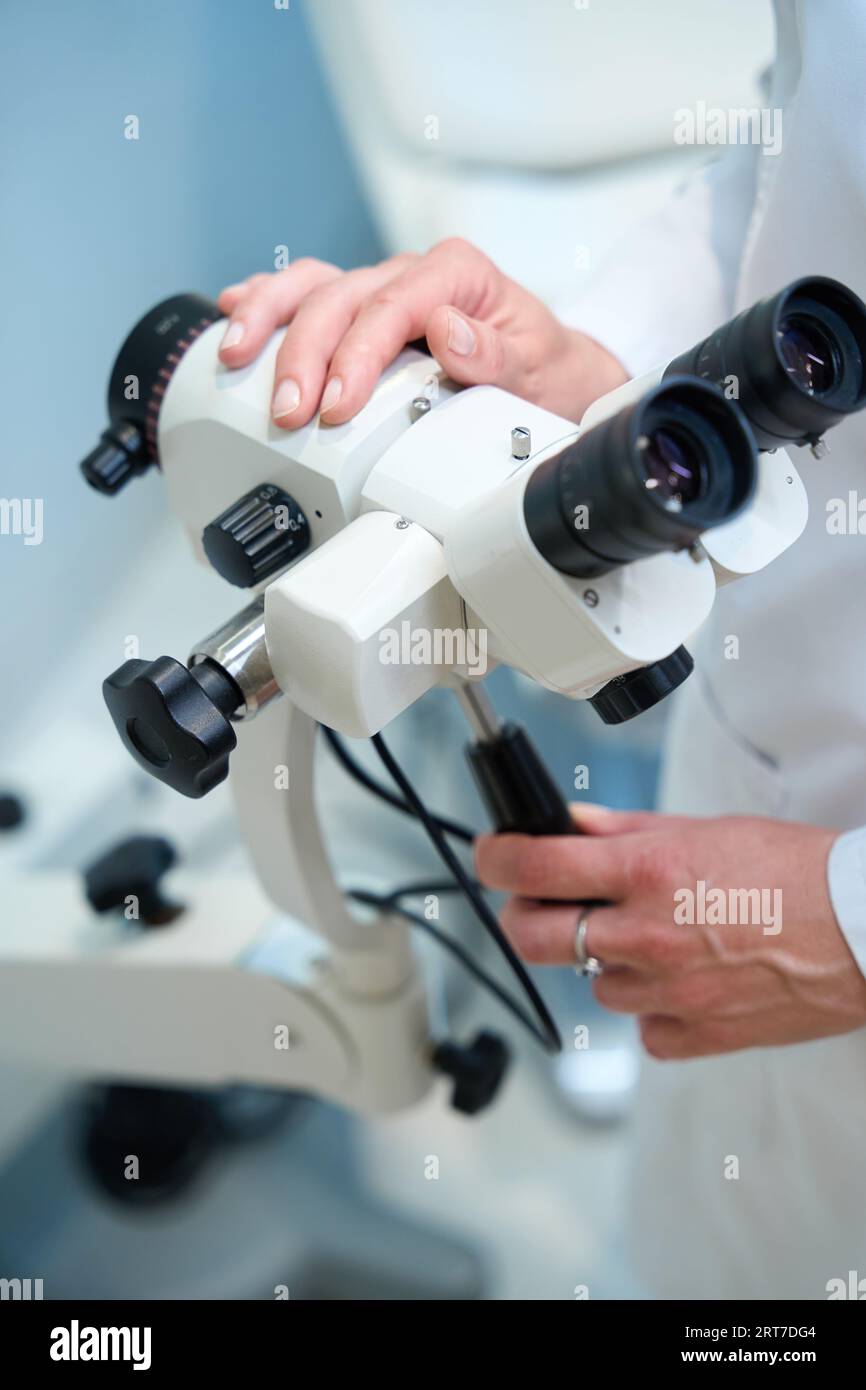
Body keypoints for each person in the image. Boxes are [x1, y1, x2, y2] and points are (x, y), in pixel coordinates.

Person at [215, 0, 866, 1299]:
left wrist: (848, 922)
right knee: (710, 1267)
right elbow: (805, 155)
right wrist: (597, 366)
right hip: (758, 755)